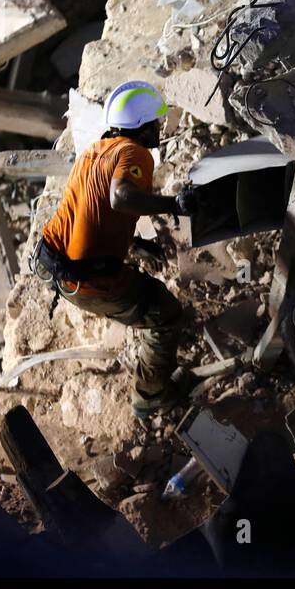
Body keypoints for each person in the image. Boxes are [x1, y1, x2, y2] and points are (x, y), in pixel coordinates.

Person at [33, 80, 198, 417]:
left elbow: (90, 212)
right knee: (165, 315)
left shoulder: (93, 151)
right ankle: (150, 397)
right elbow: (120, 197)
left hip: (53, 263)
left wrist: (133, 244)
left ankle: (156, 366)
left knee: (145, 295)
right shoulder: (134, 153)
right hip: (87, 281)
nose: (160, 128)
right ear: (142, 126)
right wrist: (174, 204)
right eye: (156, 123)